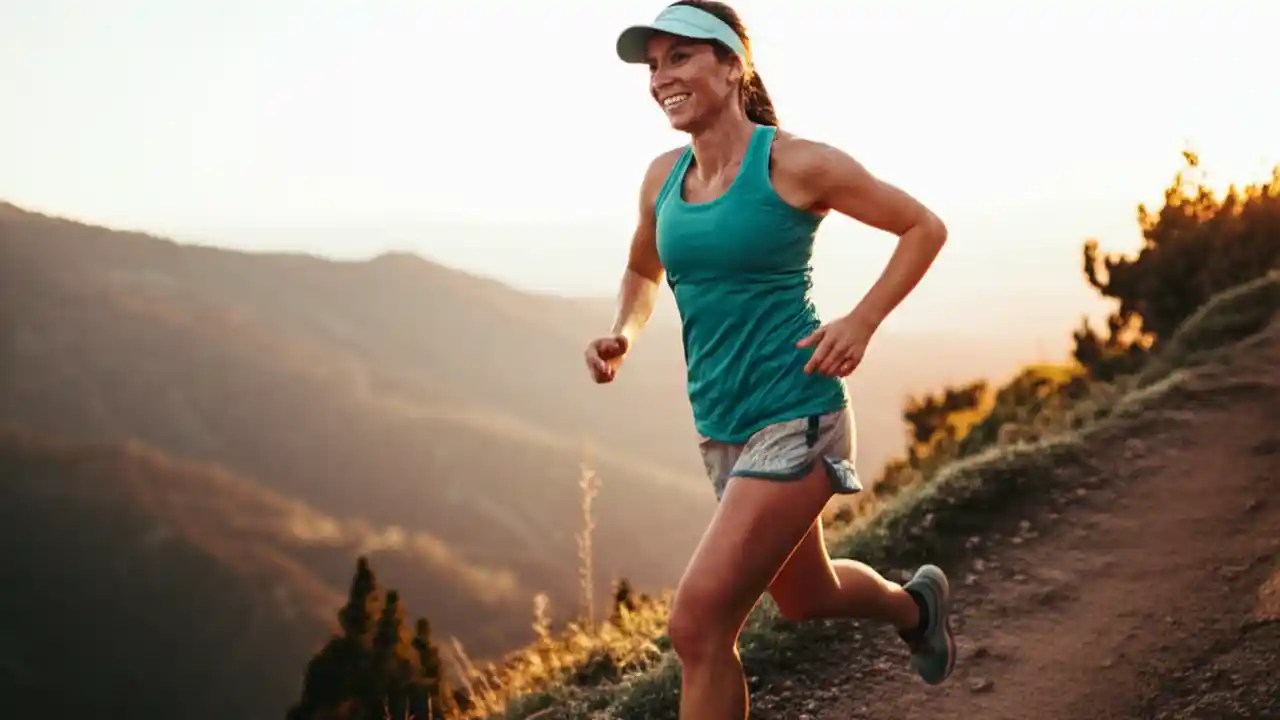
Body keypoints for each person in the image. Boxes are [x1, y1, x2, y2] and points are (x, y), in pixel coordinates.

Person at [582, 2, 955, 717]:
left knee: (698, 626)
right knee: (805, 596)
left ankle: (914, 610)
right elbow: (642, 270)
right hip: (722, 424)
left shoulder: (795, 163)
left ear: (731, 64)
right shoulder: (661, 178)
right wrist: (623, 333)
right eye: (654, 65)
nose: (662, 76)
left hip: (798, 410)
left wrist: (862, 319)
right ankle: (916, 609)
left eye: (680, 57)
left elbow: (922, 227)